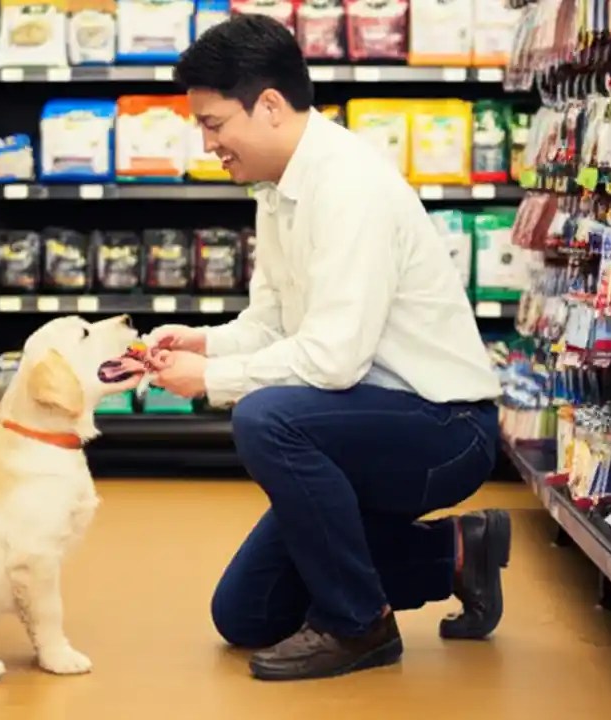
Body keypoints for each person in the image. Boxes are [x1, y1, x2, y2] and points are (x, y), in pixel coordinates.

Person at [144, 14, 510, 682]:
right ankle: (458, 552)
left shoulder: (350, 187)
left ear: (271, 107)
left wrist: (214, 378)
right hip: (364, 419)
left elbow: (333, 359)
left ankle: (358, 626)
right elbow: (277, 324)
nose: (208, 143)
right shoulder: (277, 190)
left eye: (214, 123)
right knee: (245, 613)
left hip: (442, 426)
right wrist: (203, 342)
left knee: (265, 417)